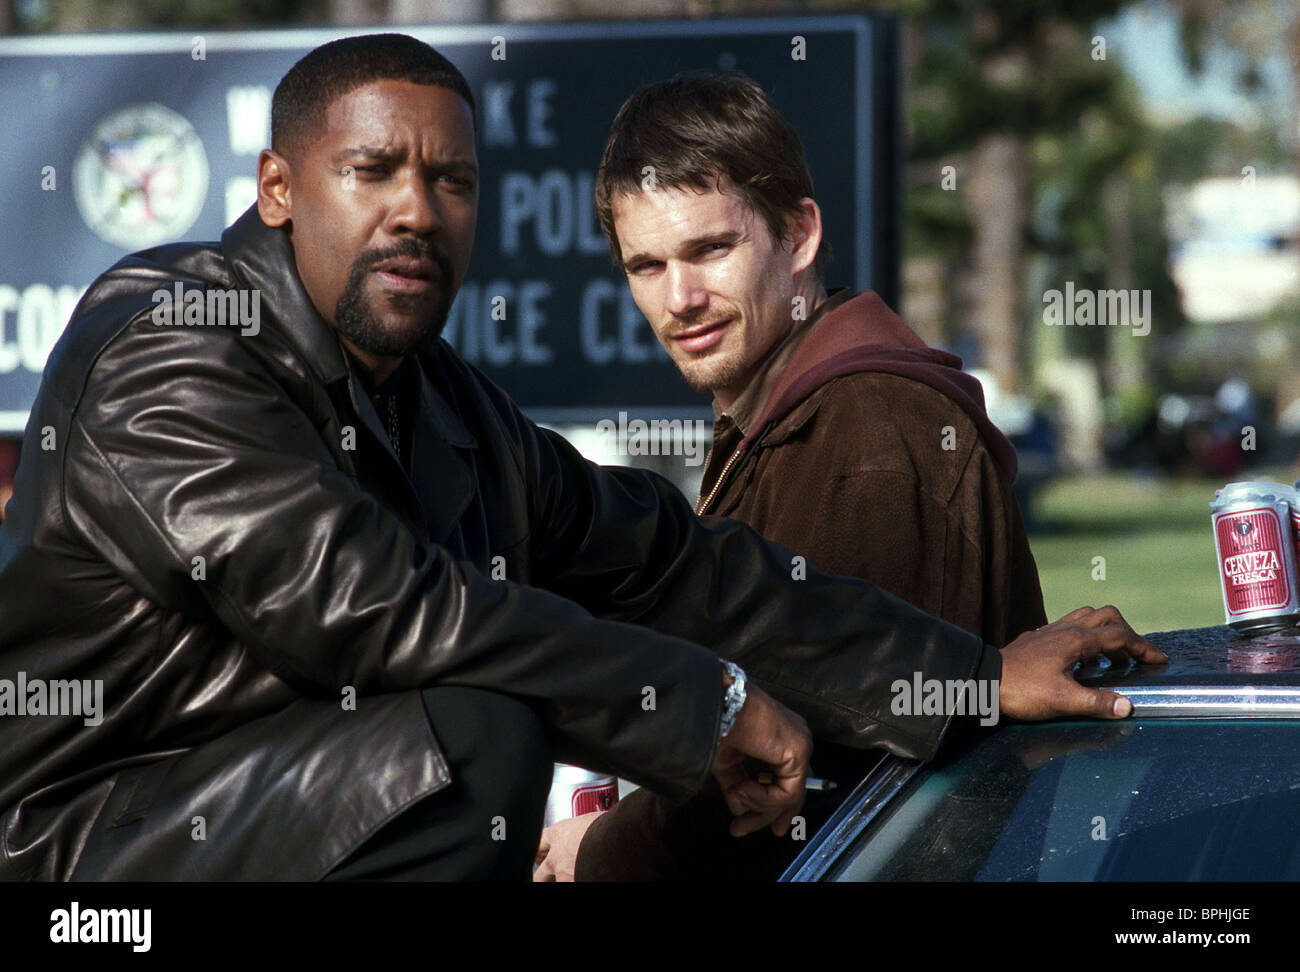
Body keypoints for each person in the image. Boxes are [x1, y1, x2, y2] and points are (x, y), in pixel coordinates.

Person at [0, 35, 1162, 882]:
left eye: (450, 181)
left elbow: (671, 563)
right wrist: (703, 705)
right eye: (373, 172)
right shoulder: (173, 348)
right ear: (275, 191)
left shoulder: (440, 400)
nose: (417, 210)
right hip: (89, 848)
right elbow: (373, 607)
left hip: (275, 816)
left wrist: (962, 671)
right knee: (468, 744)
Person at [534, 72, 1047, 880]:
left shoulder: (866, 426)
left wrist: (599, 851)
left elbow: (812, 767)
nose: (682, 297)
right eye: (646, 264)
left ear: (799, 235)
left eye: (711, 248)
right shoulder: (788, 414)